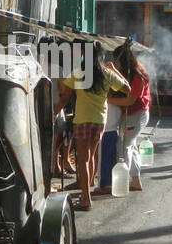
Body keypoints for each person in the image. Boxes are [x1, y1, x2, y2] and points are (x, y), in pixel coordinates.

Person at [58, 43, 128, 210]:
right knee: (90, 157)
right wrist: (115, 71)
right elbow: (127, 88)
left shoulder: (78, 74)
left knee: (82, 159)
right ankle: (86, 193)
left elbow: (64, 98)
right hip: (99, 121)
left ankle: (86, 198)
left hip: (82, 120)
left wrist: (54, 113)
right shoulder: (107, 73)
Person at [107, 42, 151, 191]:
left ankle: (124, 180)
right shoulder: (129, 72)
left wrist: (107, 100)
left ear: (123, 61)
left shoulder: (137, 76)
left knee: (124, 146)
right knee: (131, 146)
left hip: (136, 114)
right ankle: (135, 180)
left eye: (117, 61)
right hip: (132, 113)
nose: (115, 63)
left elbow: (130, 99)